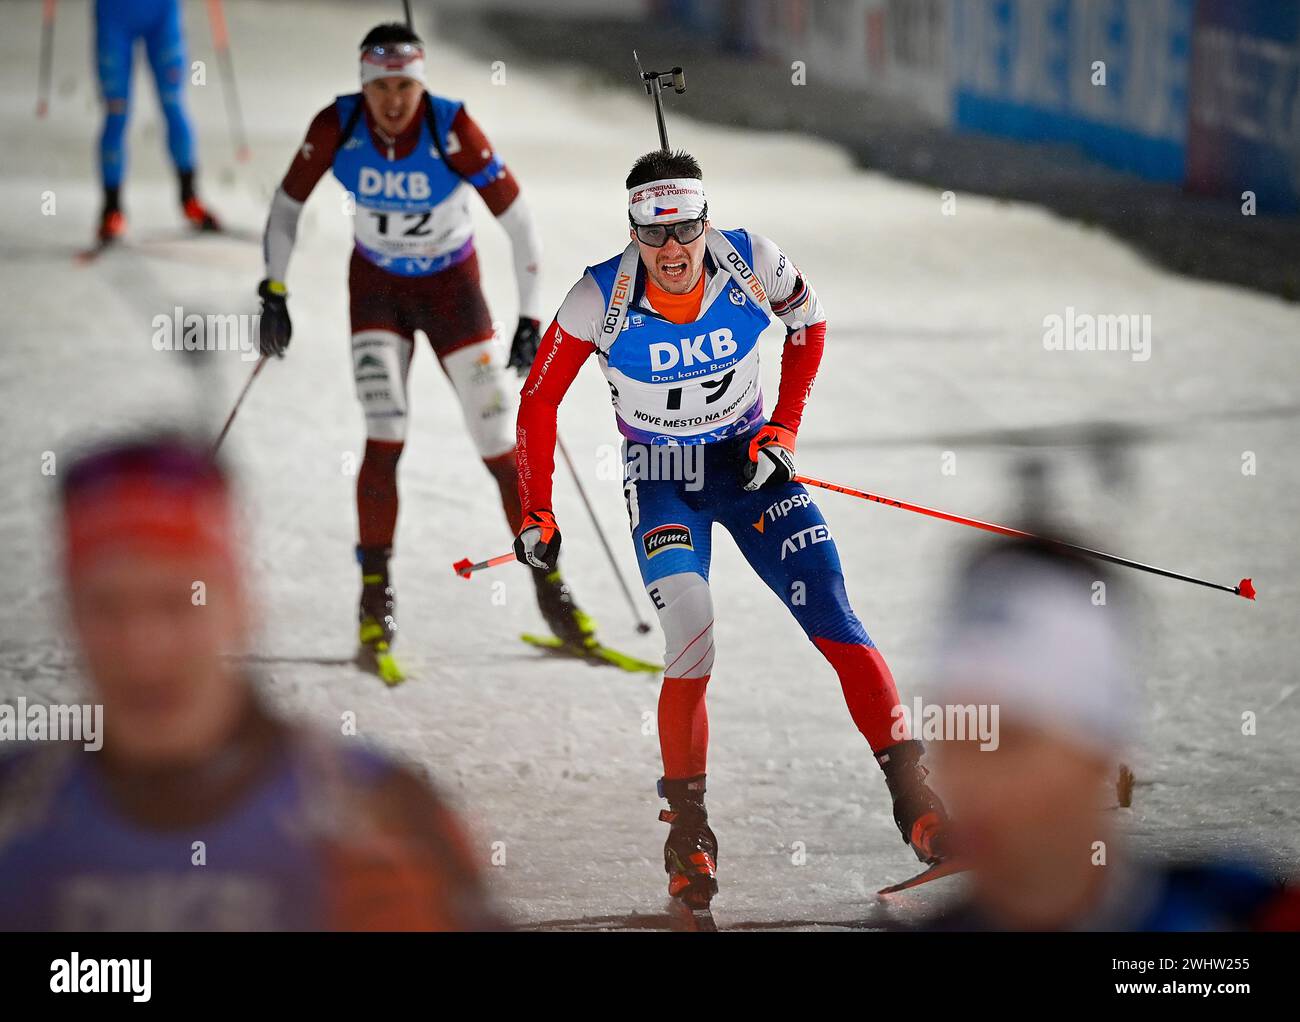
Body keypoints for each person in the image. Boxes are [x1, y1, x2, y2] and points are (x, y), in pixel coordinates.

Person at [512, 149, 949, 910]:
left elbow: (809, 325)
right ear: (633, 234)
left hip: (748, 469)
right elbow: (538, 401)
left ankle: (921, 806)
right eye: (655, 235)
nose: (673, 250)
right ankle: (688, 834)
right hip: (661, 483)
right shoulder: (597, 296)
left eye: (686, 230)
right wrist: (536, 510)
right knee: (692, 629)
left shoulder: (751, 260)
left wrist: (782, 429)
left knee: (831, 607)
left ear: (705, 221)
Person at [0, 436, 502, 931]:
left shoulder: (379, 819)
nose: (144, 648)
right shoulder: (13, 818)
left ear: (241, 604)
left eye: (177, 603)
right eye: (107, 607)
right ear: (67, 614)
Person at [257, 22, 600, 670]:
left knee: (501, 443)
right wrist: (273, 289)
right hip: (378, 291)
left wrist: (530, 319)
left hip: (453, 295)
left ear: (422, 83)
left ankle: (553, 592)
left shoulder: (451, 127)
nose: (394, 101)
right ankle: (374, 601)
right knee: (385, 431)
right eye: (382, 86)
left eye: (406, 86)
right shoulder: (338, 124)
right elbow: (284, 205)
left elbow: (519, 218)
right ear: (365, 85)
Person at [924, 535, 1299, 931]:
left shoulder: (1250, 914)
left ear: (1102, 753)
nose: (969, 782)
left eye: (1008, 742)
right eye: (954, 739)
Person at [93, 0, 221, 243]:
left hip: (161, 13)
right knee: (116, 113)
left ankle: (189, 196)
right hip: (115, 15)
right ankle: (112, 208)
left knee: (173, 103)